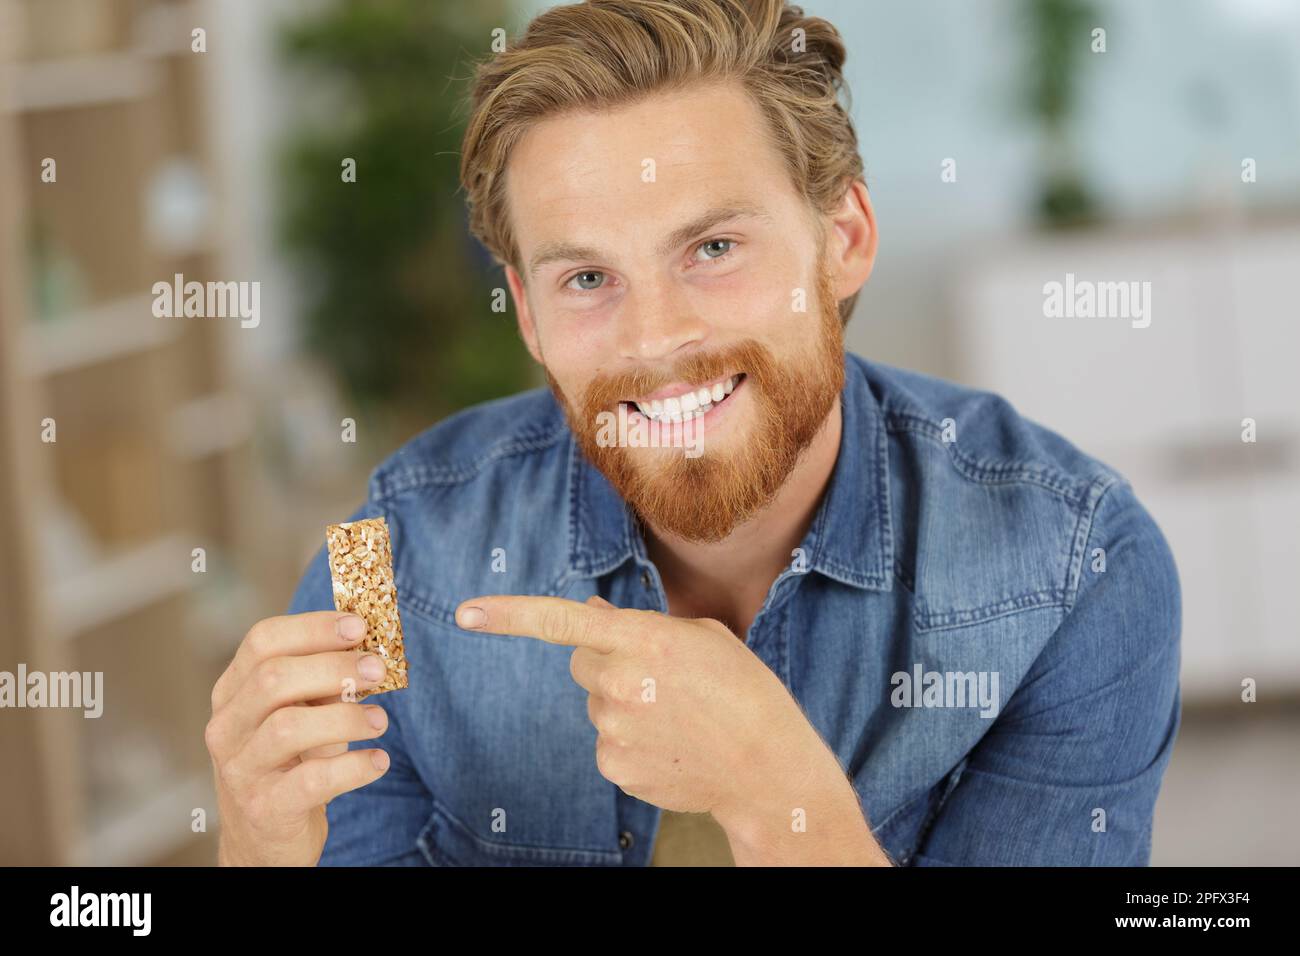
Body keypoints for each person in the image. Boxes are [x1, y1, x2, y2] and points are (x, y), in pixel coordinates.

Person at [208, 0, 1181, 867]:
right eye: (586, 278)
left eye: (713, 248)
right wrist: (256, 848)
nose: (656, 338)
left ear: (841, 241)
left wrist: (782, 800)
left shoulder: (1075, 563)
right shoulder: (383, 553)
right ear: (531, 316)